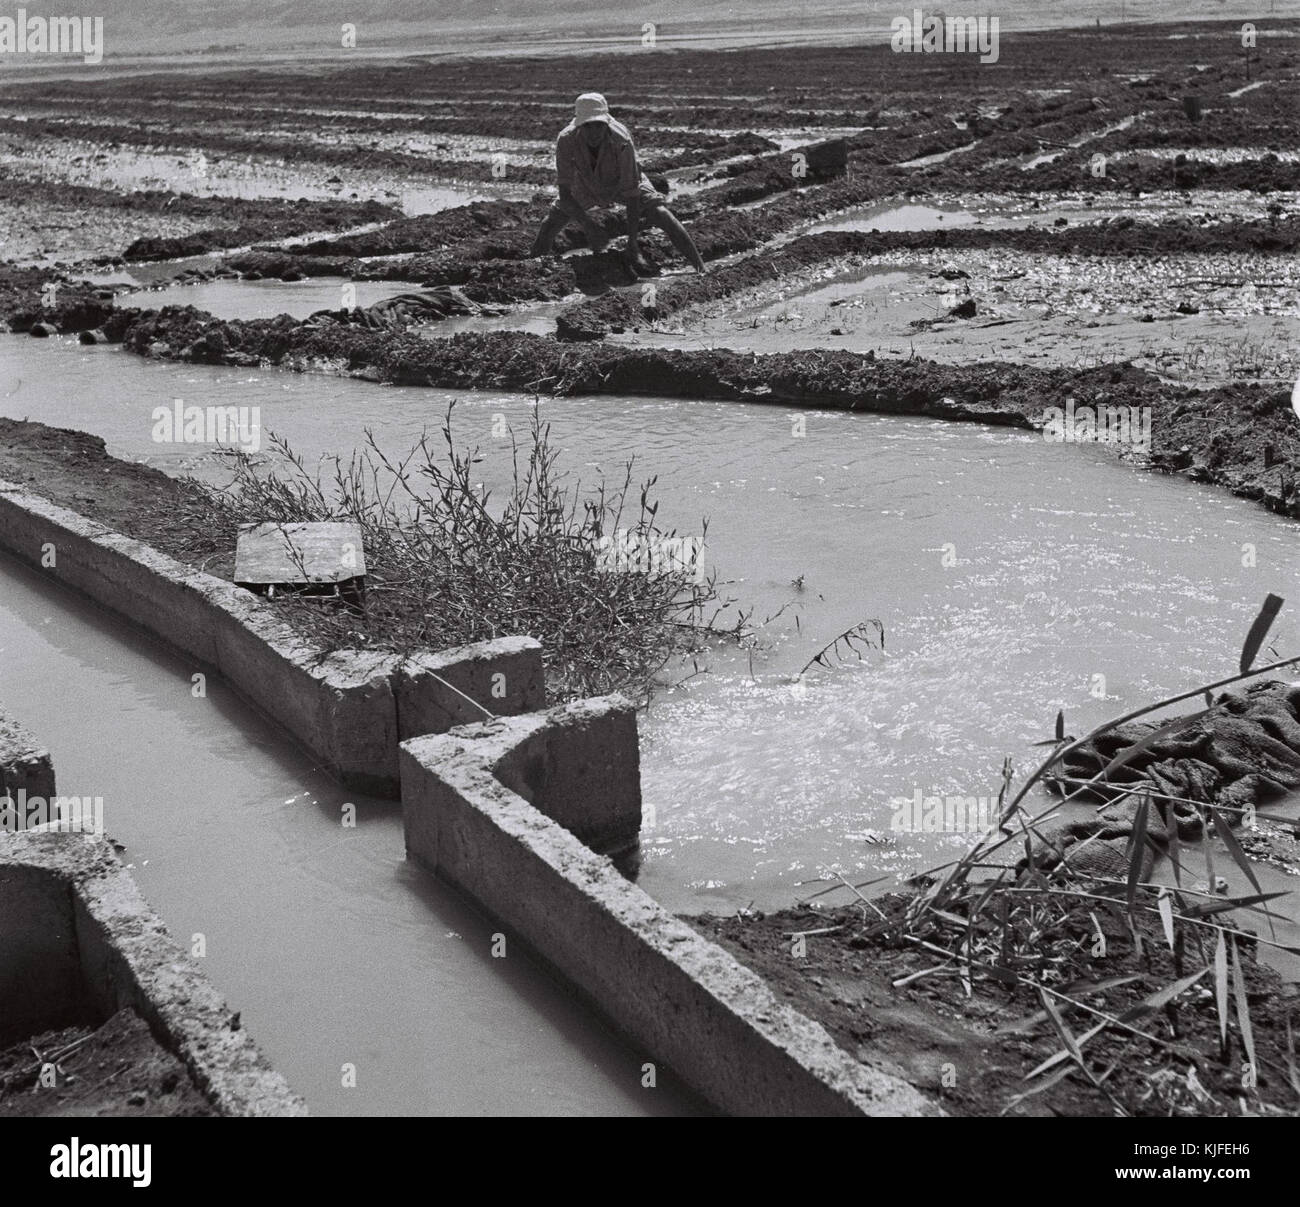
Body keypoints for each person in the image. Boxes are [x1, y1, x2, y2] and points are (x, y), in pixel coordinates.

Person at [530, 92, 706, 275]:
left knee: (661, 214)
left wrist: (632, 242)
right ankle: (531, 272)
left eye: (599, 125)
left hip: (619, 181)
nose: (594, 132)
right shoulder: (566, 139)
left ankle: (701, 269)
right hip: (585, 183)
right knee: (550, 224)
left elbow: (632, 192)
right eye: (587, 126)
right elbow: (565, 194)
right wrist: (589, 226)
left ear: (606, 123)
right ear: (579, 125)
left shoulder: (621, 140)